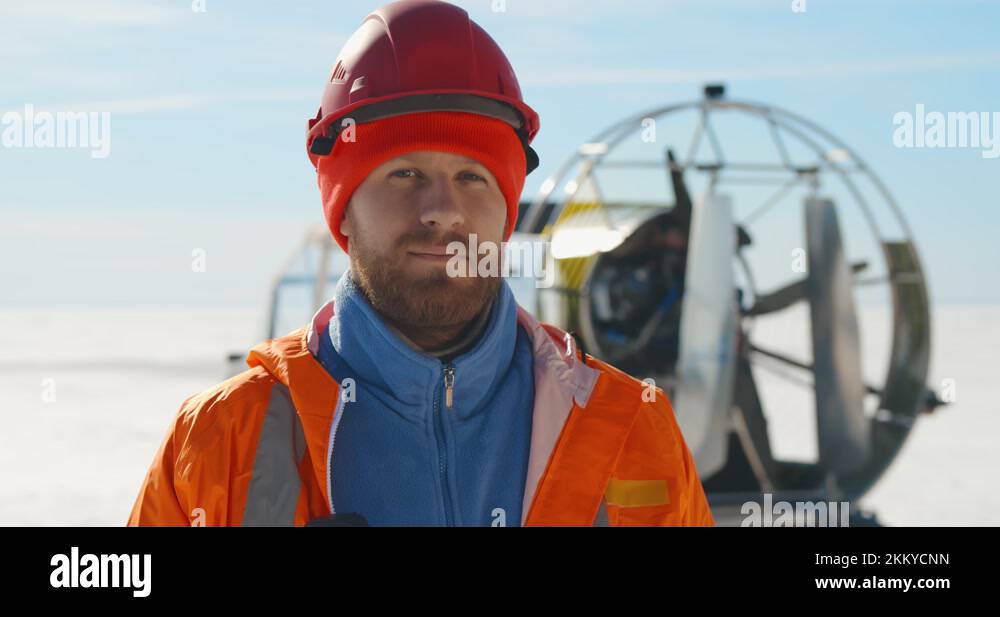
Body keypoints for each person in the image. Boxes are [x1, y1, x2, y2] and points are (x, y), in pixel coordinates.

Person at [128, 0, 714, 527]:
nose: (441, 212)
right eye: (403, 173)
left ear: (507, 214)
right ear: (344, 210)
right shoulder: (222, 440)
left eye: (472, 177)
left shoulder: (631, 429)